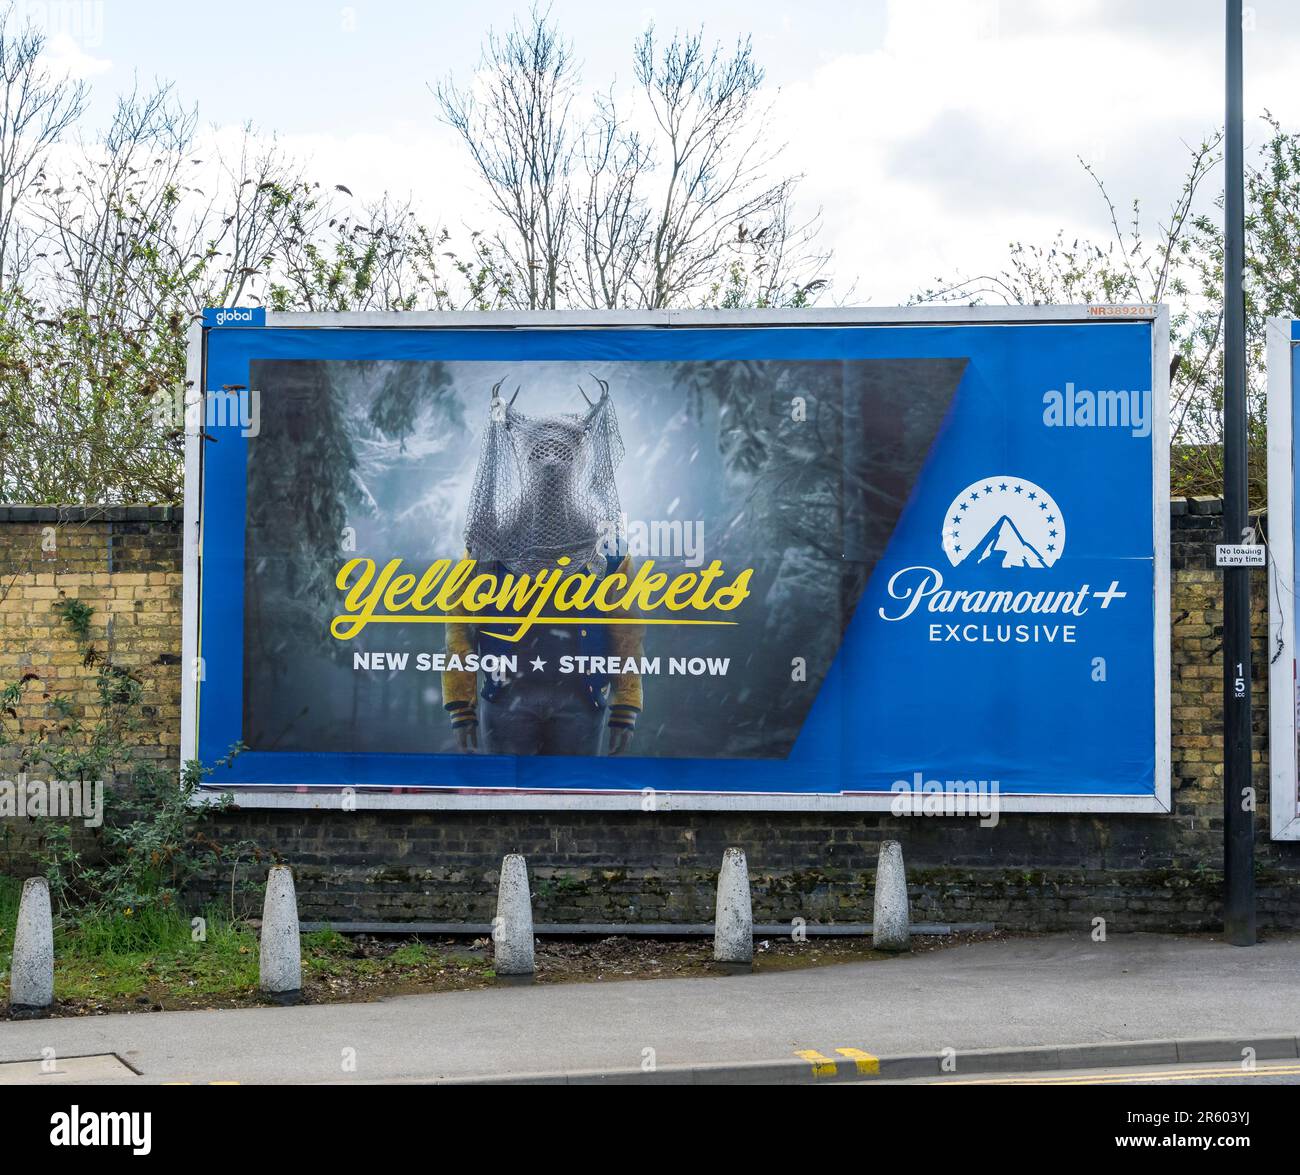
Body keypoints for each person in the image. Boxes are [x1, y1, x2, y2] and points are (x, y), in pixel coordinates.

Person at [442, 376, 644, 756]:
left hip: (581, 701)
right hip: (506, 700)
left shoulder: (608, 549)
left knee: (575, 804)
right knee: (504, 806)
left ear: (578, 462)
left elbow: (626, 628)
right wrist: (461, 705)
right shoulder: (491, 543)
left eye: (563, 453)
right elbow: (461, 625)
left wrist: (626, 704)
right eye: (540, 452)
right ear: (525, 461)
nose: (551, 462)